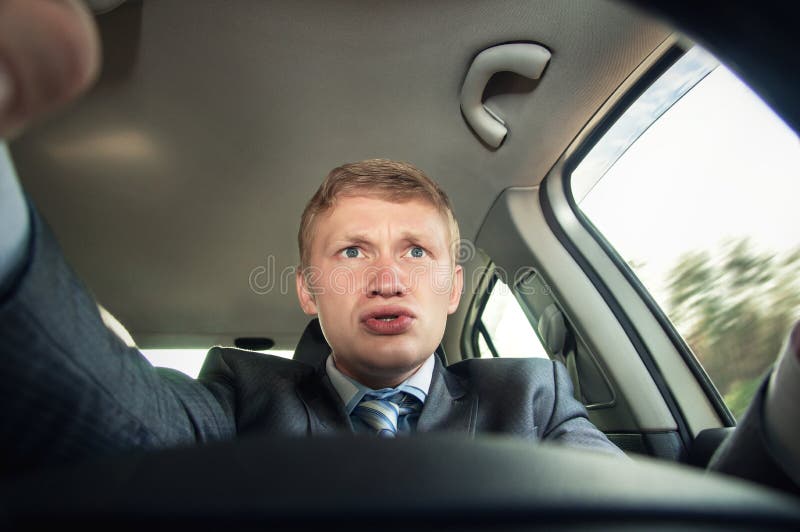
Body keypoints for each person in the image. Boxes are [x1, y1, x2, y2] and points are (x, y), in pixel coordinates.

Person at [0, 1, 797, 495]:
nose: (387, 274)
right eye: (351, 253)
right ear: (307, 289)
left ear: (455, 286)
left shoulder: (535, 398)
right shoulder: (241, 394)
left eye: (417, 251)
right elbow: (129, 425)